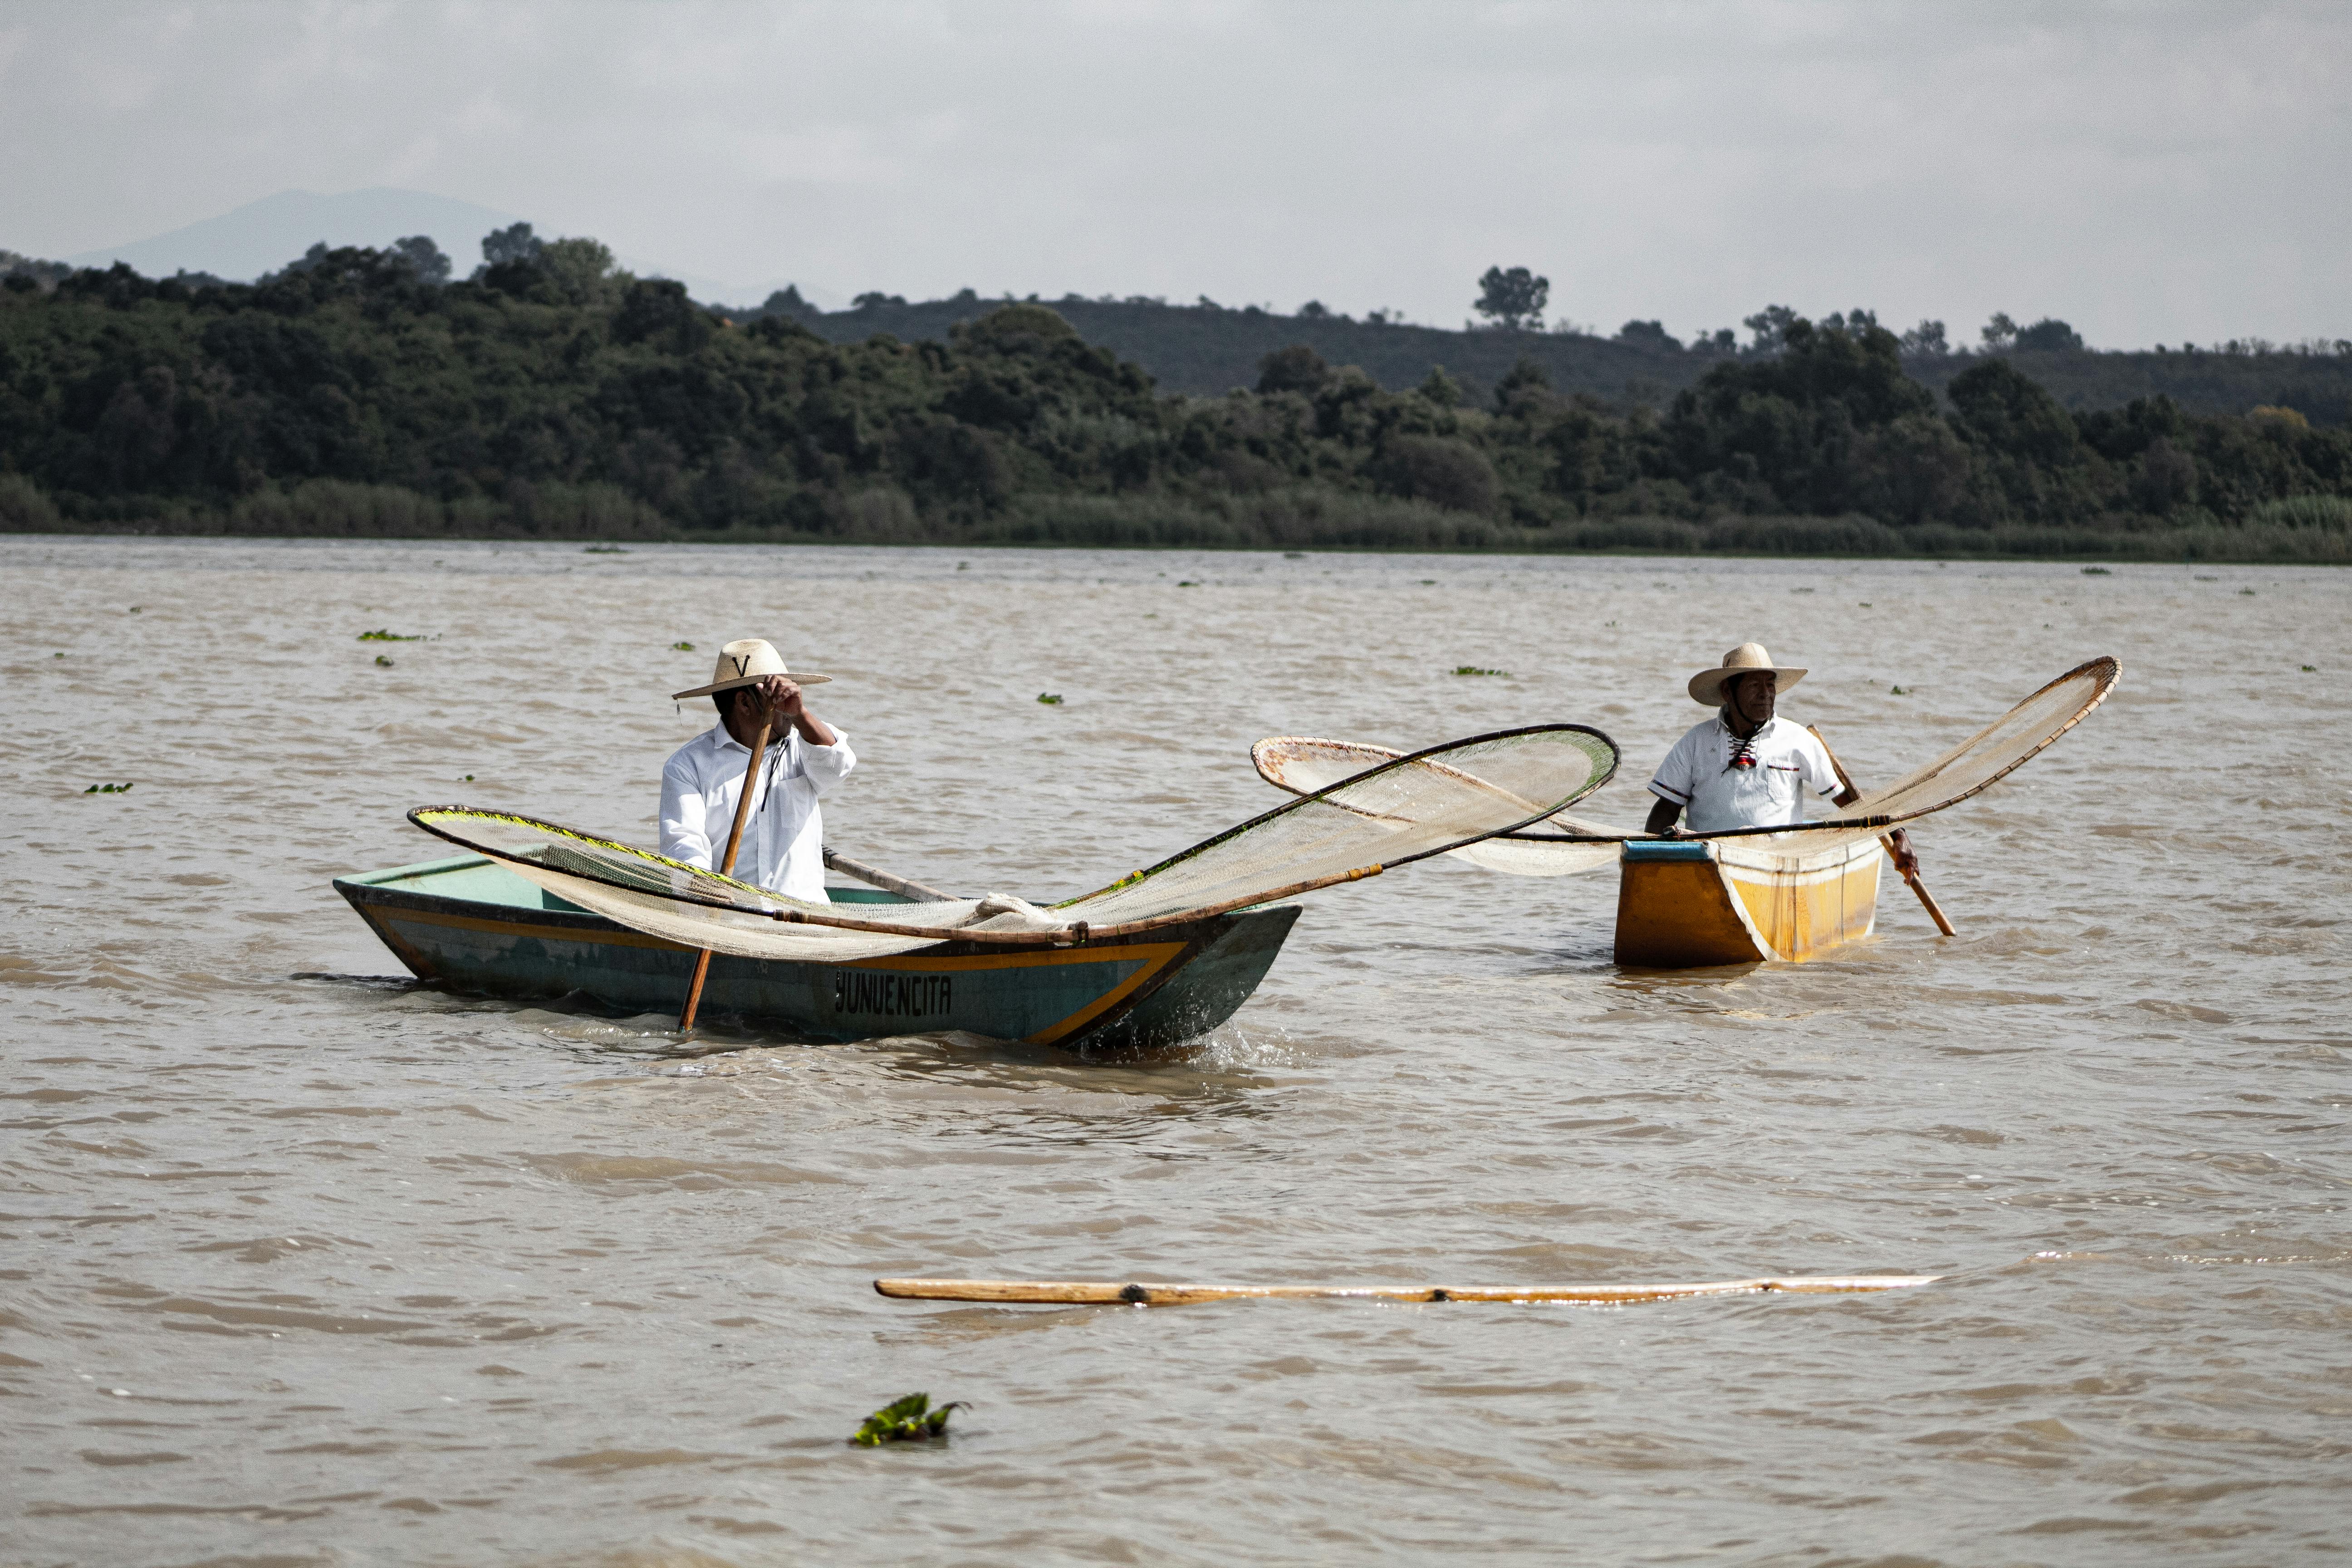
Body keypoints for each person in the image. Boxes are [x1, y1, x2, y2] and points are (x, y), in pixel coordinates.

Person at [1642, 642, 1917, 875]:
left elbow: (1847, 801)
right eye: (1754, 685)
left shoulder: (1798, 740)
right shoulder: (1696, 742)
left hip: (1776, 868)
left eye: (1770, 685)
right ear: (1728, 692)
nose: (1766, 694)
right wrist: (1649, 865)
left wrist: (1898, 835)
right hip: (1708, 866)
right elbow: (1666, 810)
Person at [662, 638, 856, 903]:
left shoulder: (802, 747)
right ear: (744, 703)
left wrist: (801, 714)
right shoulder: (688, 765)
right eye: (778, 698)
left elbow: (839, 766)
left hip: (803, 917)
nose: (787, 708)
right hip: (729, 919)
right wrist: (702, 883)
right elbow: (683, 841)